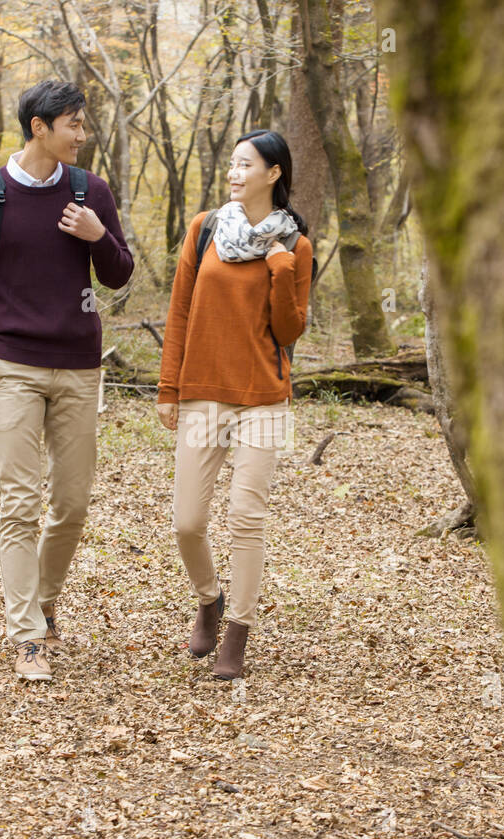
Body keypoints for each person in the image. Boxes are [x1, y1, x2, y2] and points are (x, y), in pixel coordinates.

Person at [0, 80, 134, 681]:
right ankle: (27, 634)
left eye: (83, 123)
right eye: (73, 124)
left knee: (72, 503)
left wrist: (96, 236)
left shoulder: (90, 191)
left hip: (80, 366)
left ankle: (43, 599)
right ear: (39, 128)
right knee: (19, 501)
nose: (83, 134)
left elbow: (119, 274)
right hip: (15, 363)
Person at [155, 129, 313, 680]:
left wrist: (281, 268)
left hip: (264, 401)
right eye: (232, 164)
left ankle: (238, 635)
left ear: (273, 174)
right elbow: (178, 313)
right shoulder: (204, 230)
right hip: (202, 393)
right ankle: (209, 598)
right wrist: (168, 388)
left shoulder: (294, 246)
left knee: (247, 518)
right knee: (187, 522)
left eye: (246, 164)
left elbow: (290, 328)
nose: (234, 173)